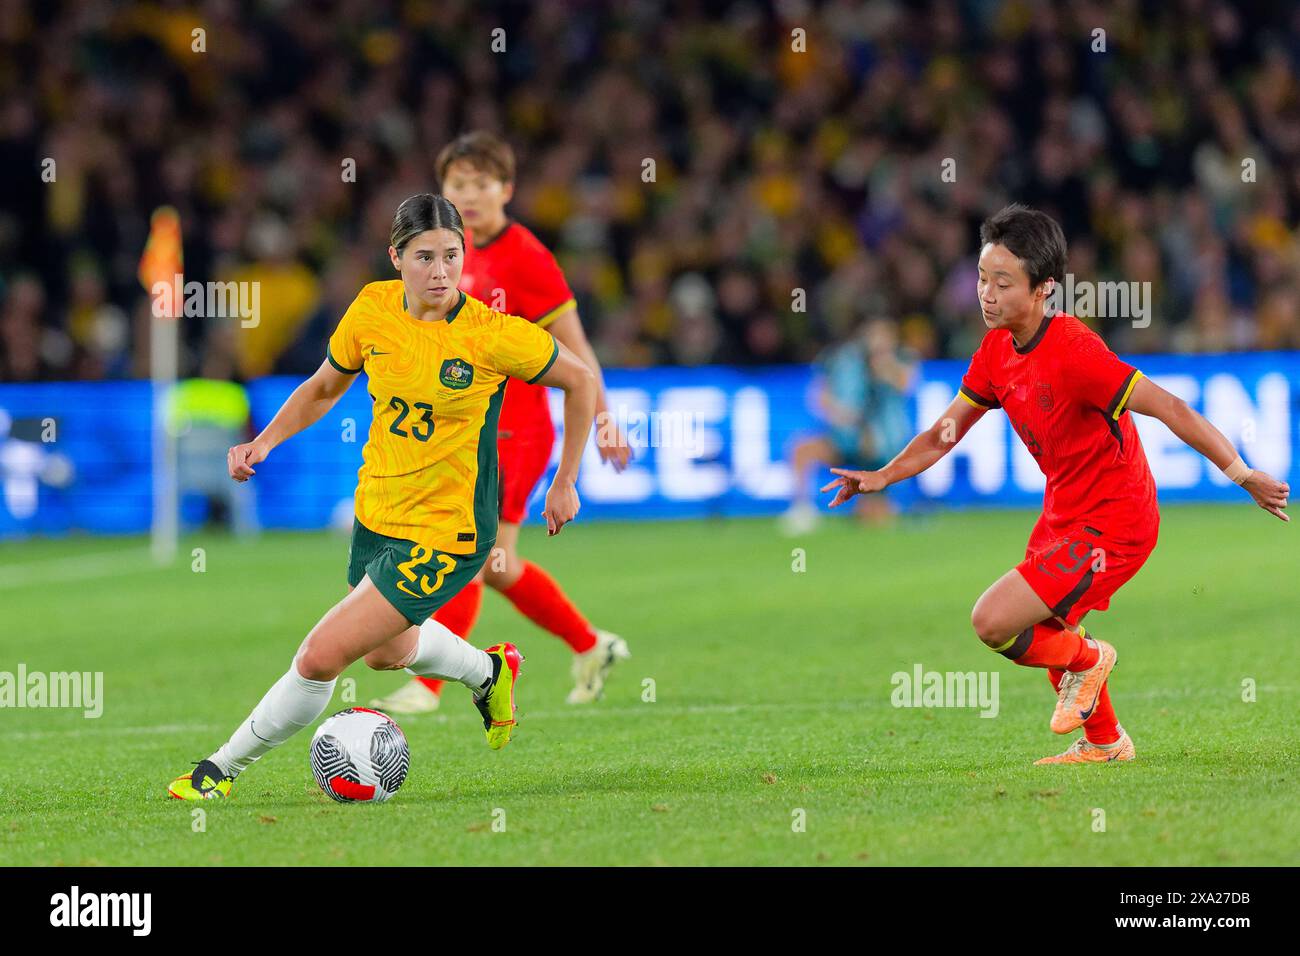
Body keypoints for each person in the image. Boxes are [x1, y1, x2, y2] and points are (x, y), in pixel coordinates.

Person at [823, 204, 1289, 765]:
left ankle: (1091, 659)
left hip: (1116, 523)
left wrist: (1241, 474)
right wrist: (881, 475)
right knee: (1046, 627)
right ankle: (1106, 743)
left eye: (1002, 282)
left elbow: (1170, 406)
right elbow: (943, 433)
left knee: (994, 620)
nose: (985, 295)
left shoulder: (1075, 351)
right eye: (980, 278)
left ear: (1043, 289)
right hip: (1063, 514)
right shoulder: (997, 351)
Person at [167, 193, 597, 799]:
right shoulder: (371, 310)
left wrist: (565, 479)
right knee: (386, 654)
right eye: (425, 257)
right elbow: (322, 389)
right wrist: (263, 443)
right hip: (377, 515)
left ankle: (219, 770)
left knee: (320, 657)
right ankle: (490, 671)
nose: (441, 271)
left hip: (449, 531)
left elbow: (579, 378)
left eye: (452, 255)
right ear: (397, 257)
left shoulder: (491, 334)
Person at [371, 132, 630, 715]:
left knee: (472, 550)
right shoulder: (448, 254)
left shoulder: (527, 256)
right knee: (499, 564)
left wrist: (606, 419)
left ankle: (428, 685)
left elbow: (574, 345)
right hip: (464, 432)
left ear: (506, 190)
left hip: (517, 433)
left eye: (481, 184)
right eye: (458, 184)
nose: (470, 195)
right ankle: (591, 645)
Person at [781, 317, 915, 534]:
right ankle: (801, 510)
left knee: (873, 518)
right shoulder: (841, 359)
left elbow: (905, 385)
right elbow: (818, 396)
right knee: (802, 449)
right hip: (846, 438)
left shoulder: (901, 358)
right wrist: (841, 415)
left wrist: (883, 362)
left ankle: (886, 506)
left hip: (884, 445)